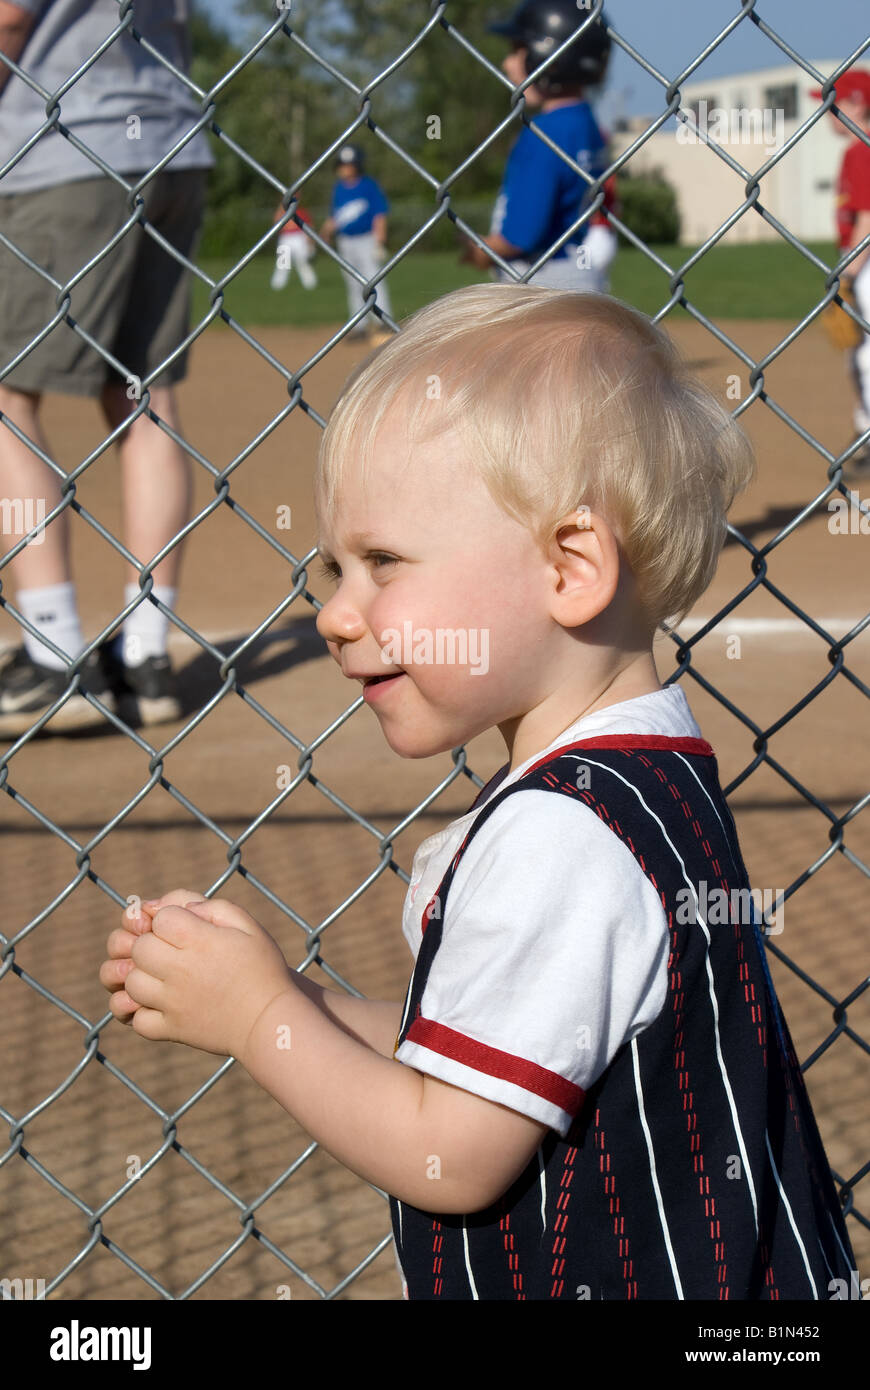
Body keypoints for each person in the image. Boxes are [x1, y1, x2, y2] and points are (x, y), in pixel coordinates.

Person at [101, 283, 856, 1300]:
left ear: (570, 566)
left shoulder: (560, 837)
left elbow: (449, 1151)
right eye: (335, 568)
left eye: (382, 563)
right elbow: (483, 1062)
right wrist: (286, 995)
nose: (334, 614)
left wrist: (260, 1022)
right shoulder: (652, 770)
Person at [0, 0, 213, 736]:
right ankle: (146, 656)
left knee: (5, 398)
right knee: (143, 397)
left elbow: (8, 16)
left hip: (62, 144)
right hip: (172, 142)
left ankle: (54, 654)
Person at [461, 0, 614, 290]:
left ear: (551, 59)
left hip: (542, 281)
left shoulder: (544, 132)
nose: (506, 64)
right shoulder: (587, 123)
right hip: (581, 274)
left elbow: (522, 235)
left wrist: (479, 250)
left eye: (516, 51)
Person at [811, 68, 870, 469]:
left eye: (834, 104)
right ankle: (864, 428)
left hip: (864, 262)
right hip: (860, 260)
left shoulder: (861, 150)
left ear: (857, 104)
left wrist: (848, 271)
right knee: (858, 353)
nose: (827, 113)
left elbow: (868, 215)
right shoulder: (857, 149)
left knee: (866, 355)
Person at [320, 143, 393, 345]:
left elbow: (380, 214)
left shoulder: (368, 185)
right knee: (352, 284)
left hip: (366, 239)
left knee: (373, 279)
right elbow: (335, 217)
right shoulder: (339, 189)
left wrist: (380, 239)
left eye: (350, 164)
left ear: (358, 165)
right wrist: (325, 232)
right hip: (345, 242)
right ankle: (359, 326)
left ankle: (383, 321)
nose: (345, 167)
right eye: (342, 164)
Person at [270, 200, 317, 292]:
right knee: (283, 263)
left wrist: (310, 243)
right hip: (285, 237)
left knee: (302, 261)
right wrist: (281, 207)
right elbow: (275, 222)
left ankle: (310, 284)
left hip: (299, 236)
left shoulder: (302, 212)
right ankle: (278, 285)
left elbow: (309, 226)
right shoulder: (282, 212)